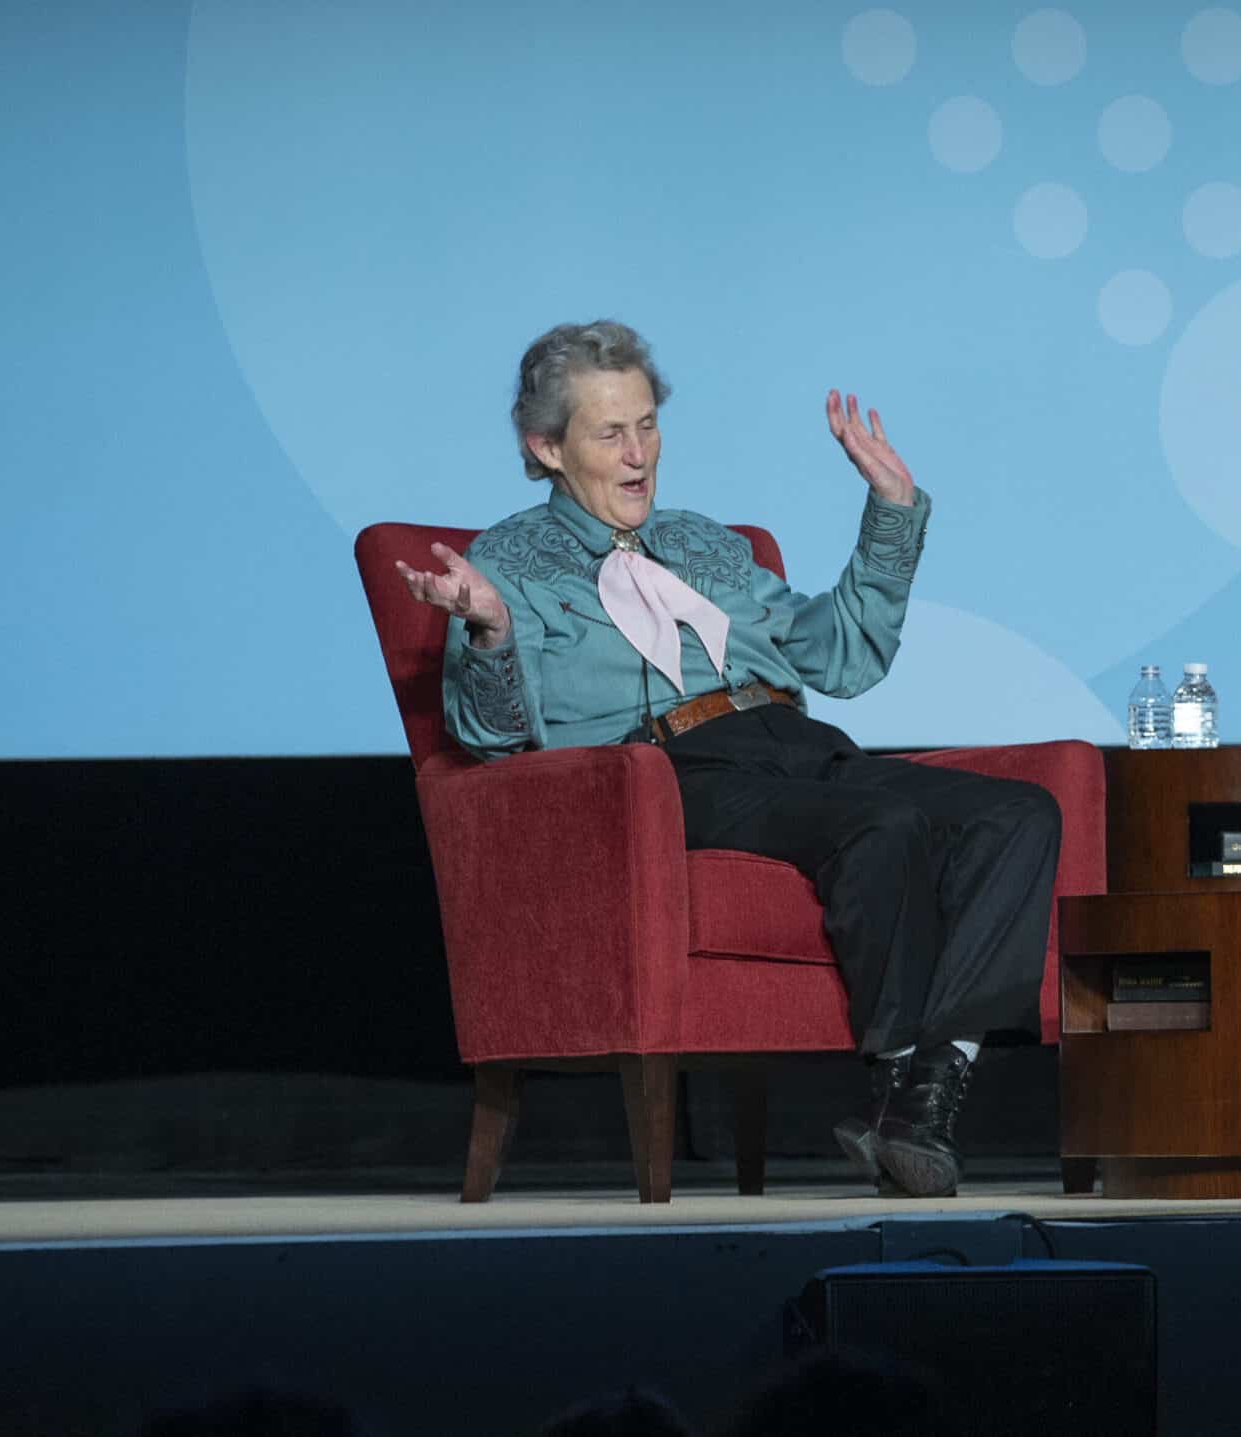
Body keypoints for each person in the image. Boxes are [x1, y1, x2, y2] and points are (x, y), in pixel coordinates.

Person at [393, 320, 1060, 1200]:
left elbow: (840, 657)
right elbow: (490, 739)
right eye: (609, 433)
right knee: (884, 826)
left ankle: (922, 1095)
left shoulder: (707, 544)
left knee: (1019, 812)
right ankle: (909, 1091)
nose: (638, 454)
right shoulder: (507, 565)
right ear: (546, 446)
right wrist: (488, 630)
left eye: (647, 424)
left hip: (793, 742)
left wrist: (891, 516)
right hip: (667, 773)